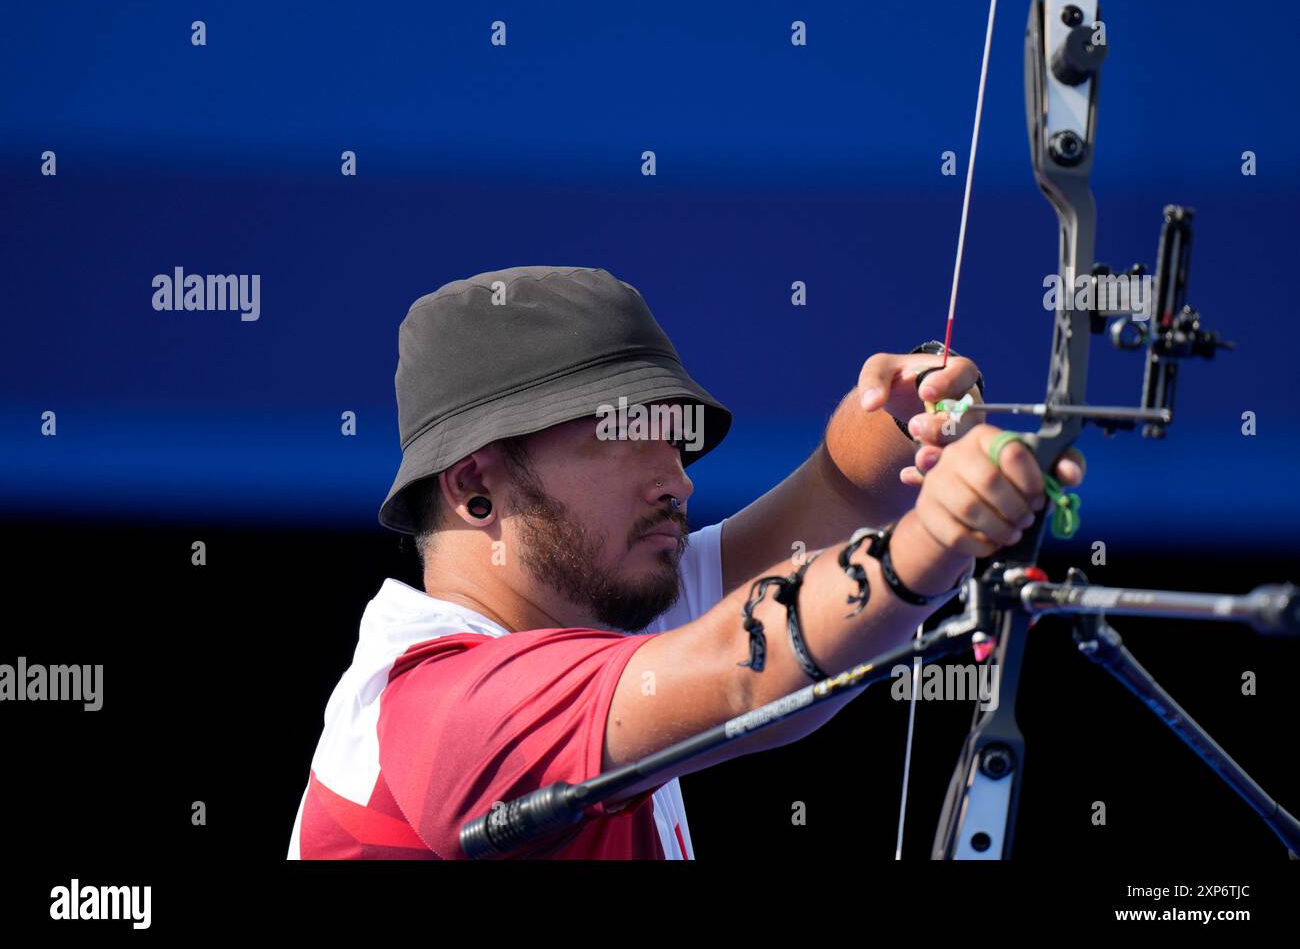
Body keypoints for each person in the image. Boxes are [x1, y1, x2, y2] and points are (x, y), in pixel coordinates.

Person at [286, 266, 1084, 859]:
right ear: (475, 487)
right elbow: (747, 668)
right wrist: (936, 539)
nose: (678, 480)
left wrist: (908, 414)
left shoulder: (600, 614)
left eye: (675, 439)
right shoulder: (445, 710)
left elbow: (836, 496)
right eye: (624, 436)